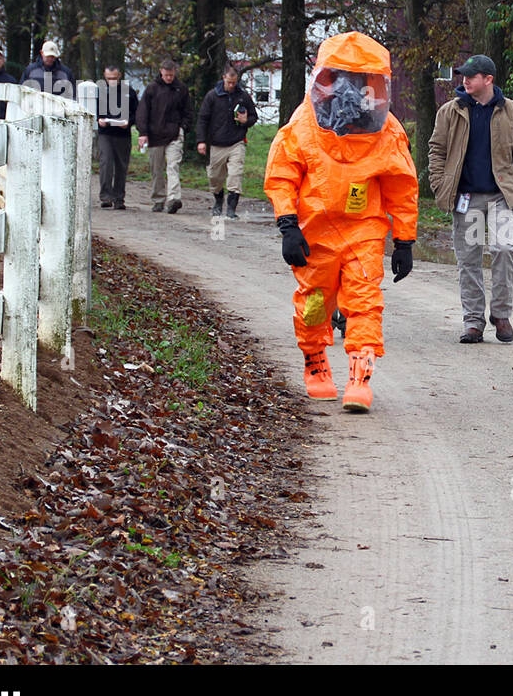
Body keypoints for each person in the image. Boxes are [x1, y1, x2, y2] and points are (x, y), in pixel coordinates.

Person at [264, 31, 419, 412]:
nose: (350, 91)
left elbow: (401, 186)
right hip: (315, 229)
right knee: (315, 301)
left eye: (359, 80)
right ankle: (315, 361)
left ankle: (359, 377)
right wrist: (288, 224)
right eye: (342, 79)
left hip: (363, 228)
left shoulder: (386, 130)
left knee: (364, 303)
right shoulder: (303, 124)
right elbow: (282, 174)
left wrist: (404, 240)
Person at [428, 53, 513, 344]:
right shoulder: (449, 111)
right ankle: (474, 322)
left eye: (471, 76)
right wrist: (440, 185)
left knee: (505, 250)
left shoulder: (512, 111)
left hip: (501, 196)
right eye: (463, 75)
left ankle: (501, 315)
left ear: (488, 79)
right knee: (469, 261)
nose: (464, 80)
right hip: (464, 198)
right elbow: (436, 151)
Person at [196, 64, 259, 219]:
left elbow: (253, 117)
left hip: (236, 142)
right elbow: (203, 119)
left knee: (235, 175)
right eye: (229, 82)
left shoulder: (243, 96)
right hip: (216, 143)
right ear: (224, 78)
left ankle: (231, 209)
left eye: (234, 82)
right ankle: (218, 200)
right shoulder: (212, 96)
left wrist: (246, 121)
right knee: (214, 177)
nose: (231, 85)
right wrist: (201, 141)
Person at [135, 59, 194, 213]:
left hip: (174, 134)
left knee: (173, 166)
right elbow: (143, 112)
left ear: (175, 72)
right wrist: (143, 133)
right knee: (156, 169)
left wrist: (183, 128)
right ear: (161, 71)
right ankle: (158, 199)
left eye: (171, 75)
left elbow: (188, 111)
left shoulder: (181, 89)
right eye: (167, 75)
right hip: (155, 135)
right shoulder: (152, 89)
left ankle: (174, 198)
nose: (169, 78)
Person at [94, 66, 139, 209]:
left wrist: (129, 122)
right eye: (109, 78)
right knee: (106, 163)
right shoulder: (99, 91)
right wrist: (99, 119)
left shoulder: (129, 92)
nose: (112, 81)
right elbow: (93, 110)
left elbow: (136, 112)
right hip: (105, 132)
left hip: (122, 134)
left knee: (121, 166)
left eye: (114, 78)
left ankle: (119, 198)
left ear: (119, 76)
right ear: (104, 76)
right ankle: (106, 196)